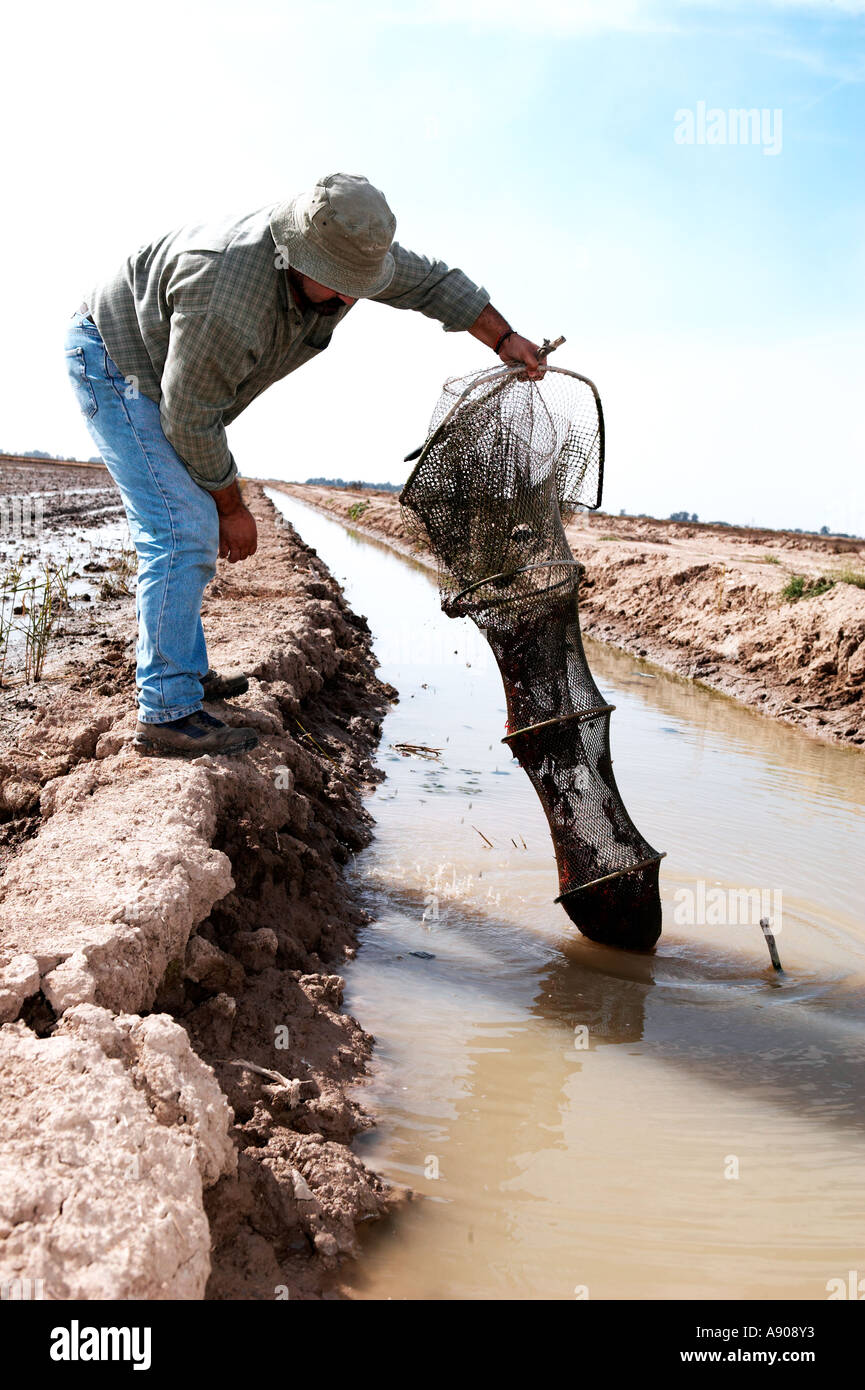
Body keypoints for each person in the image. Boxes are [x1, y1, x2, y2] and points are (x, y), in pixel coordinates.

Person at [65, 172, 543, 757]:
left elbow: (436, 284)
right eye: (337, 285)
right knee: (182, 526)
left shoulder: (352, 248)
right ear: (295, 253)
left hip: (177, 367)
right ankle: (166, 711)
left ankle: (183, 675)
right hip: (118, 357)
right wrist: (233, 506)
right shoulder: (227, 292)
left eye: (356, 287)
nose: (346, 299)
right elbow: (190, 417)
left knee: (186, 518)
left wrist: (504, 339)